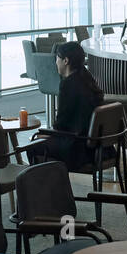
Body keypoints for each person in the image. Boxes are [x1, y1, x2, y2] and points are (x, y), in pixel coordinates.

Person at [28, 41, 105, 170]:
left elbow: (61, 125)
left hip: (77, 148)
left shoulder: (68, 85)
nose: (55, 61)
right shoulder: (87, 78)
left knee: (33, 146)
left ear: (66, 61)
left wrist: (47, 134)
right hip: (97, 147)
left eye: (57, 57)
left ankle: (48, 186)